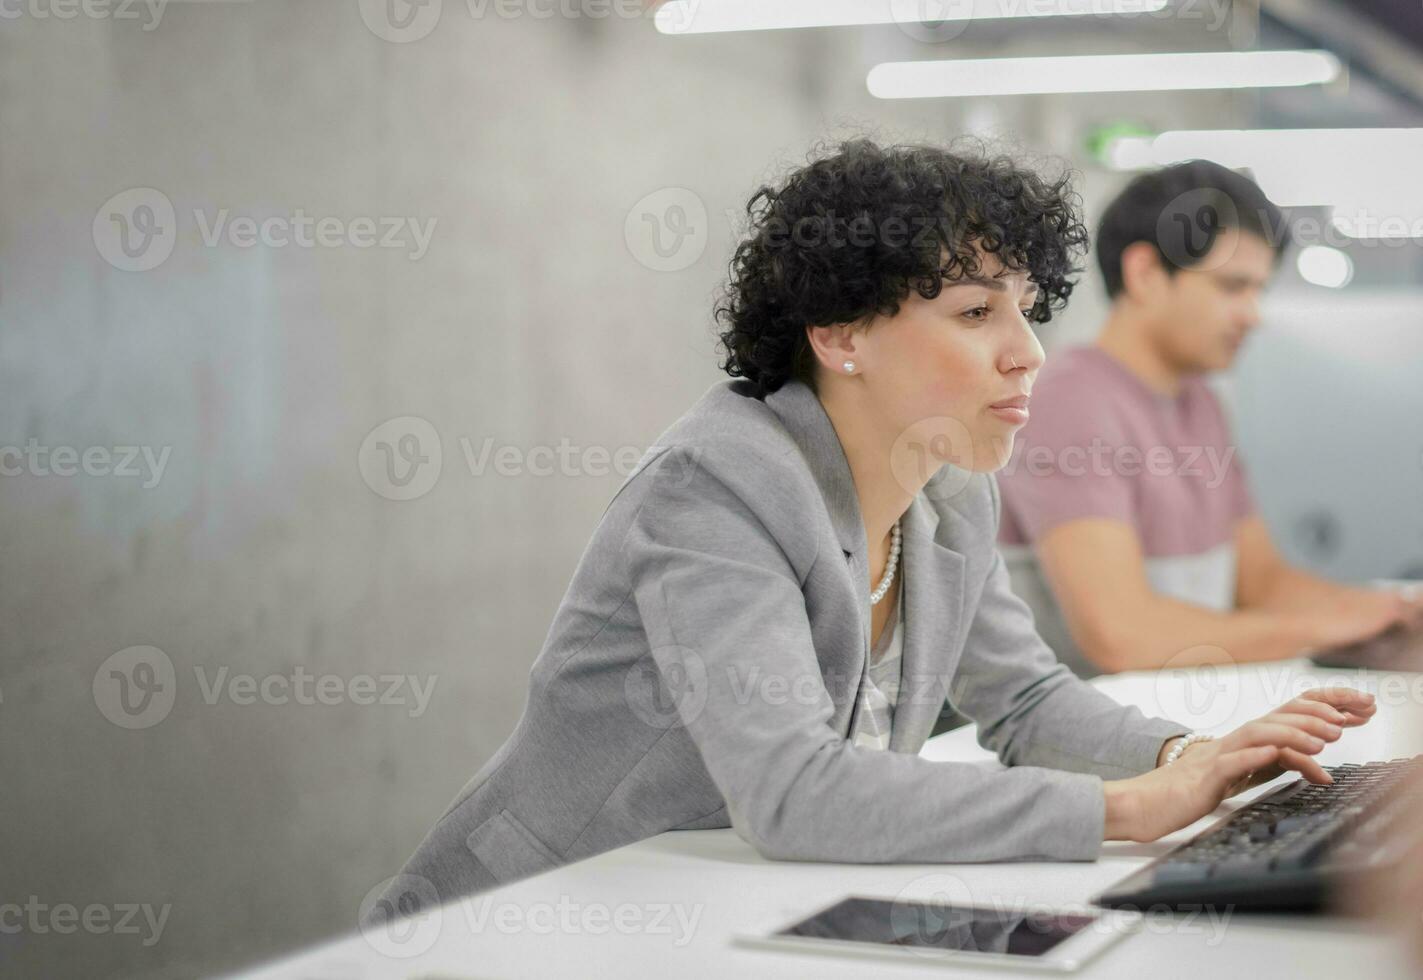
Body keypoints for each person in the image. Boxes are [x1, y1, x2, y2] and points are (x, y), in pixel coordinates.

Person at [365, 139, 1376, 926]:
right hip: (533, 919)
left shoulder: (949, 488)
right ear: (840, 332)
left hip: (714, 904)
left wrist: (1193, 752)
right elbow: (792, 792)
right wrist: (1126, 808)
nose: (1026, 352)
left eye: (1026, 310)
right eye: (975, 313)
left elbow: (1023, 699)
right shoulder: (715, 487)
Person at [995, 160, 1423, 679]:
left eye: (1259, 290)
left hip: (1175, 715)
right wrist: (1323, 628)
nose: (1253, 314)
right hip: (1087, 724)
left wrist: (1390, 610)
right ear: (1145, 274)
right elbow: (1122, 636)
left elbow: (1262, 584)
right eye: (1232, 287)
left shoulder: (1199, 401)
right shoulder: (1070, 400)